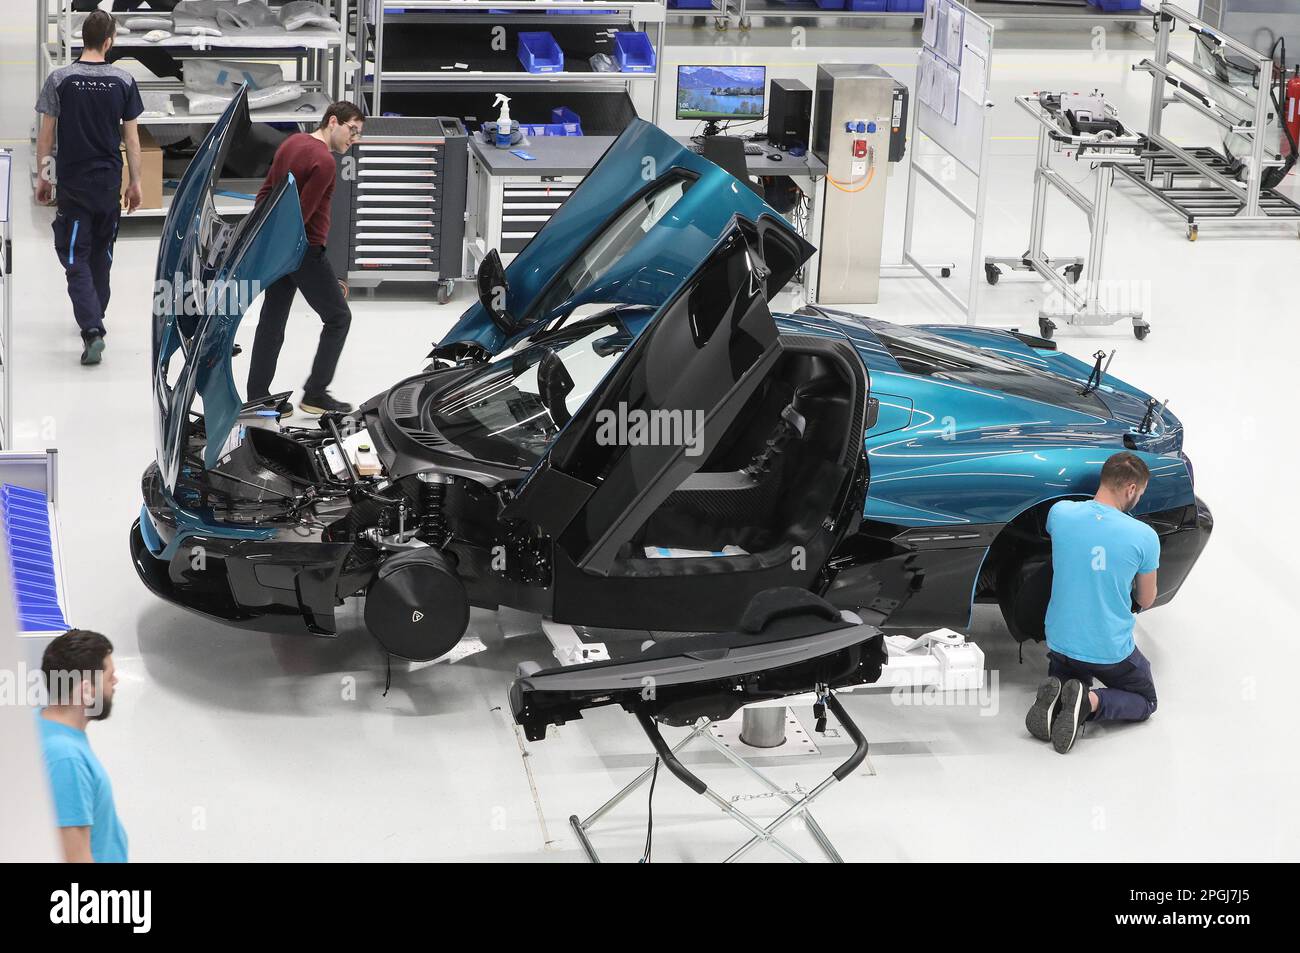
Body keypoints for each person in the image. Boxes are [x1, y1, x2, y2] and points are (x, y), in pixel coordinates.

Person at [1026, 451, 1161, 754]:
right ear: (1130, 489)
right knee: (1147, 701)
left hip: (1059, 641)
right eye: (1140, 493)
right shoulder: (1144, 536)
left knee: (1070, 674)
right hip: (1108, 649)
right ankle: (1090, 702)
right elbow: (1146, 599)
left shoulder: (1060, 513)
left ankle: (1062, 694)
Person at [35, 9, 144, 366]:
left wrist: (43, 177)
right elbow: (132, 138)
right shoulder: (124, 81)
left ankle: (92, 329)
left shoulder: (60, 79)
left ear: (83, 39)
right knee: (102, 253)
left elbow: (47, 135)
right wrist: (136, 182)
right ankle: (95, 314)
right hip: (108, 181)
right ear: (109, 42)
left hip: (74, 184)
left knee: (73, 256)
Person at [246, 101, 363, 418]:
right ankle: (315, 393)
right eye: (352, 131)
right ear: (333, 121)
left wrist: (265, 243)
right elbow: (303, 216)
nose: (352, 139)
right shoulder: (324, 162)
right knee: (339, 318)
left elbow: (265, 193)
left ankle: (258, 397)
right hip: (304, 251)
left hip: (278, 248)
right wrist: (325, 273)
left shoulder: (292, 142)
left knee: (272, 321)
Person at [37, 630, 128, 863]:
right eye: (110, 677)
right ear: (86, 690)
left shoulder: (38, 722)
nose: (115, 683)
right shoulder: (67, 759)